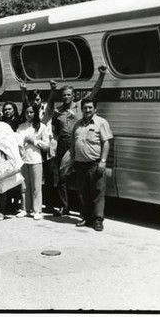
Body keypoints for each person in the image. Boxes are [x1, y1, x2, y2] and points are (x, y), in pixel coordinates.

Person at [47, 65, 107, 217]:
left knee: (83, 179)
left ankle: (84, 211)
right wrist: (52, 90)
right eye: (64, 95)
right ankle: (64, 207)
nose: (66, 97)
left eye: (69, 95)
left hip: (78, 145)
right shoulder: (58, 111)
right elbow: (54, 128)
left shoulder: (81, 107)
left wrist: (101, 76)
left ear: (73, 96)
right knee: (62, 177)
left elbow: (94, 92)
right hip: (63, 144)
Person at [71, 97, 113, 231]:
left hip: (95, 163)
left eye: (90, 107)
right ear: (81, 109)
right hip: (80, 163)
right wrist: (72, 160)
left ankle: (98, 220)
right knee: (83, 193)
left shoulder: (101, 123)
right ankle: (86, 217)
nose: (87, 110)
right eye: (85, 108)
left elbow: (106, 142)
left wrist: (103, 161)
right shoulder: (77, 125)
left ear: (95, 109)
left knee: (97, 193)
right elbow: (73, 144)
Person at [16, 103, 51, 220]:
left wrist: (35, 141)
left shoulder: (41, 127)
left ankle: (37, 210)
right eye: (27, 112)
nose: (29, 115)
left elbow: (46, 145)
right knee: (24, 186)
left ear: (35, 113)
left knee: (36, 186)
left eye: (31, 112)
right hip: (23, 160)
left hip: (36, 160)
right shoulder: (21, 127)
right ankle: (25, 209)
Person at [0, 101, 22, 212]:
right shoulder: (1, 122)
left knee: (17, 179)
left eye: (9, 109)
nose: (7, 111)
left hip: (16, 153)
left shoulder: (19, 121)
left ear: (14, 110)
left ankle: (16, 203)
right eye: (5, 110)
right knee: (7, 178)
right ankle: (8, 203)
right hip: (5, 153)